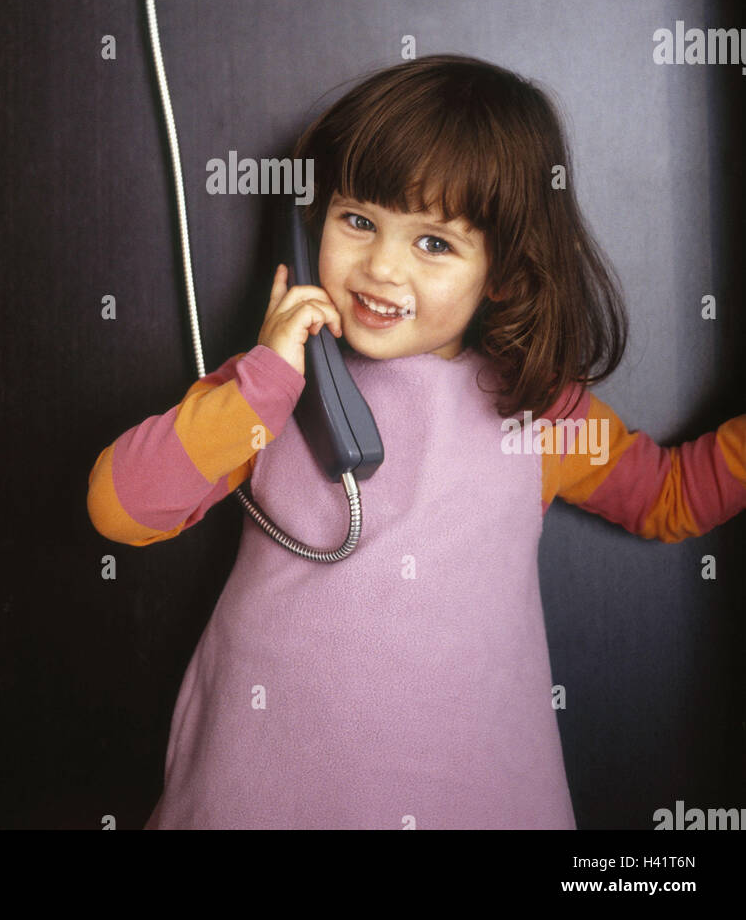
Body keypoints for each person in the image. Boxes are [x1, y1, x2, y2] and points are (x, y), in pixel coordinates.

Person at [87, 54, 746, 830]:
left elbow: (672, 495)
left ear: (502, 273)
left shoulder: (539, 413)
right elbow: (119, 508)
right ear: (314, 224)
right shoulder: (269, 390)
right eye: (358, 221)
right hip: (260, 793)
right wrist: (263, 382)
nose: (381, 267)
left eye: (434, 244)